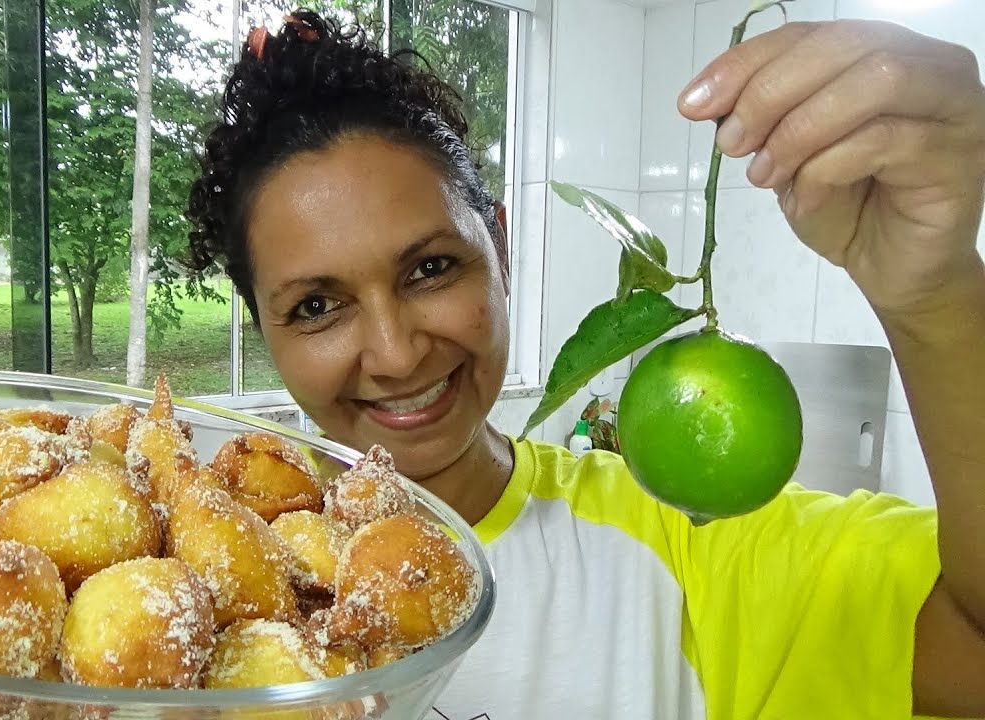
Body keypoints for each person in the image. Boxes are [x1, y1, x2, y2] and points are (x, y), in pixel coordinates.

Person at [186, 10, 985, 719]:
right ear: (264, 324)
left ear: (497, 243)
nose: (396, 355)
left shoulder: (683, 544)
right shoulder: (197, 581)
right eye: (317, 307)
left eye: (429, 269)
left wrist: (934, 295)